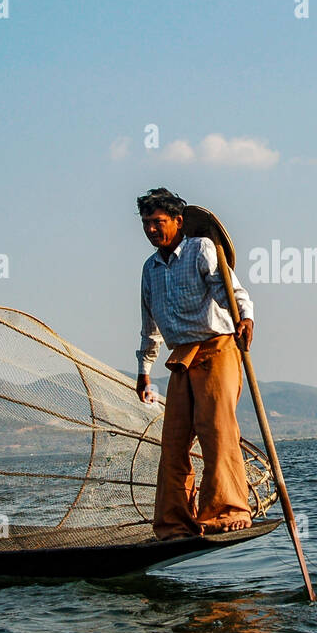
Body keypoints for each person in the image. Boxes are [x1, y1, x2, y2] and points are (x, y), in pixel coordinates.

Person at [134, 188, 255, 539]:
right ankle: (175, 522)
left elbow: (229, 291)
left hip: (217, 347)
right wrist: (144, 371)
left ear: (178, 222)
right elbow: (149, 325)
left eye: (158, 223)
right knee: (173, 441)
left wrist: (244, 318)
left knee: (215, 429)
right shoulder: (151, 268)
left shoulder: (200, 249)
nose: (152, 230)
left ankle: (228, 509)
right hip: (181, 357)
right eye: (146, 224)